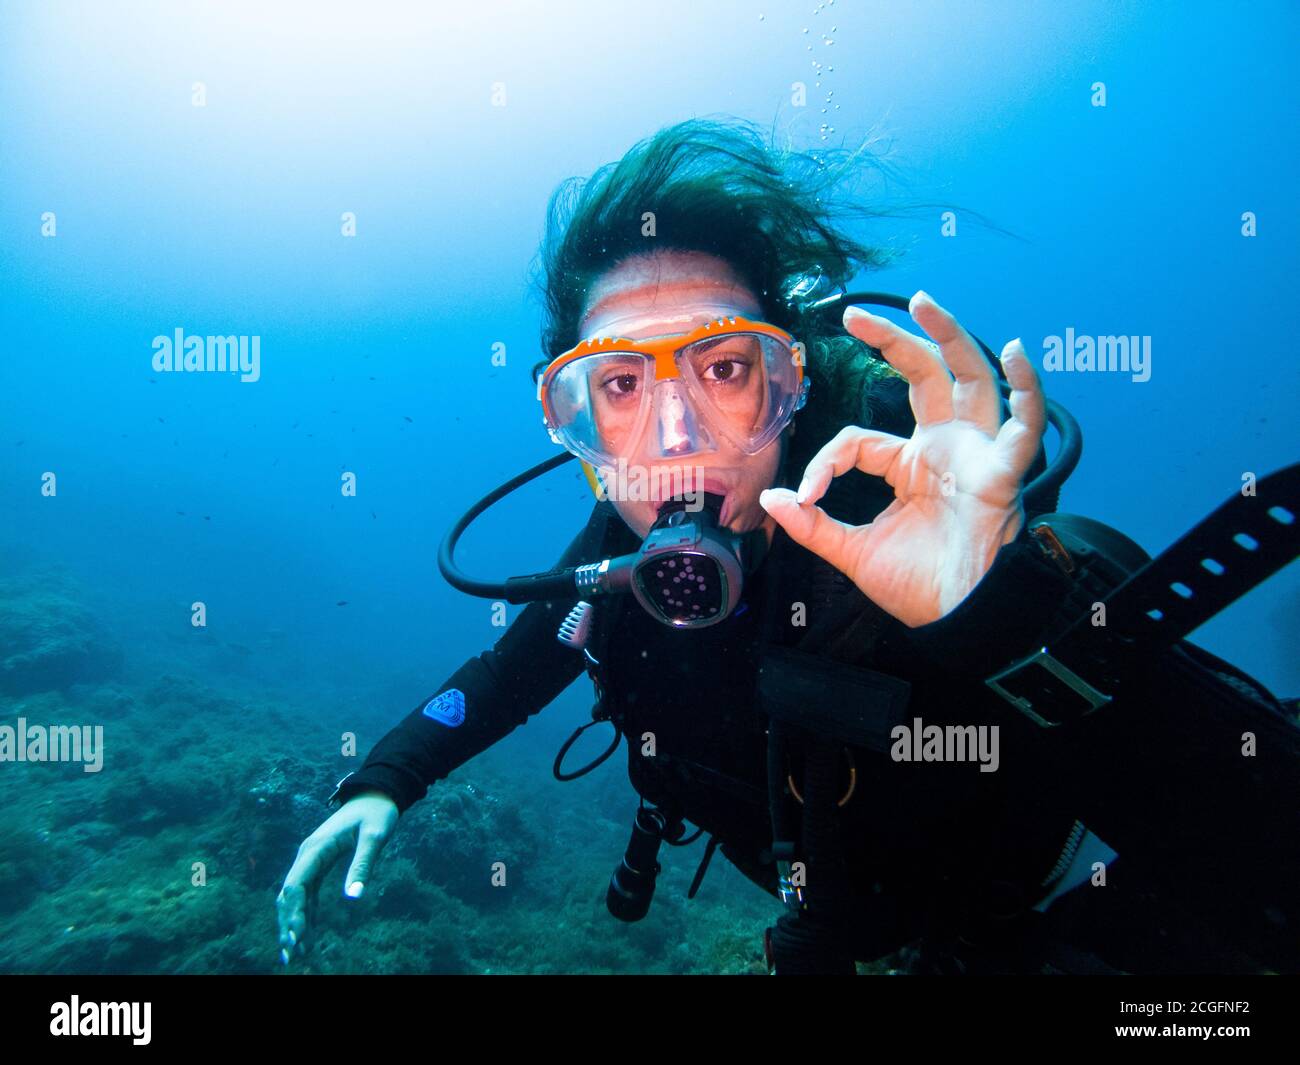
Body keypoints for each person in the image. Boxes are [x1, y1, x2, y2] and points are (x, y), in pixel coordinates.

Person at [277, 117, 1299, 974]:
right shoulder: (612, 568)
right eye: (620, 388)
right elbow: (499, 679)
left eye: (724, 369)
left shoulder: (910, 525)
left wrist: (998, 609)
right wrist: (389, 776)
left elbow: (1263, 843)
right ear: (573, 427)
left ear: (794, 383)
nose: (675, 437)